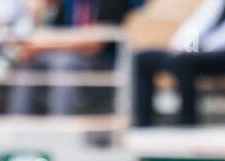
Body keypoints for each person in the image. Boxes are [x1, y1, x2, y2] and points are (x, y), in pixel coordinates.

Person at [133, 0, 225, 127]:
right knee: (143, 58)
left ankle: (186, 123)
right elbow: (199, 22)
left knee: (183, 61)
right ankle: (144, 123)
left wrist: (201, 49)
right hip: (202, 50)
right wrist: (180, 46)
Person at [7, 0, 138, 116]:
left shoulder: (111, 2)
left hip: (98, 65)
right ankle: (17, 125)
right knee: (30, 63)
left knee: (64, 63)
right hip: (60, 58)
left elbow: (94, 44)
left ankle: (61, 126)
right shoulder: (68, 3)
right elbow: (52, 31)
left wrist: (43, 46)